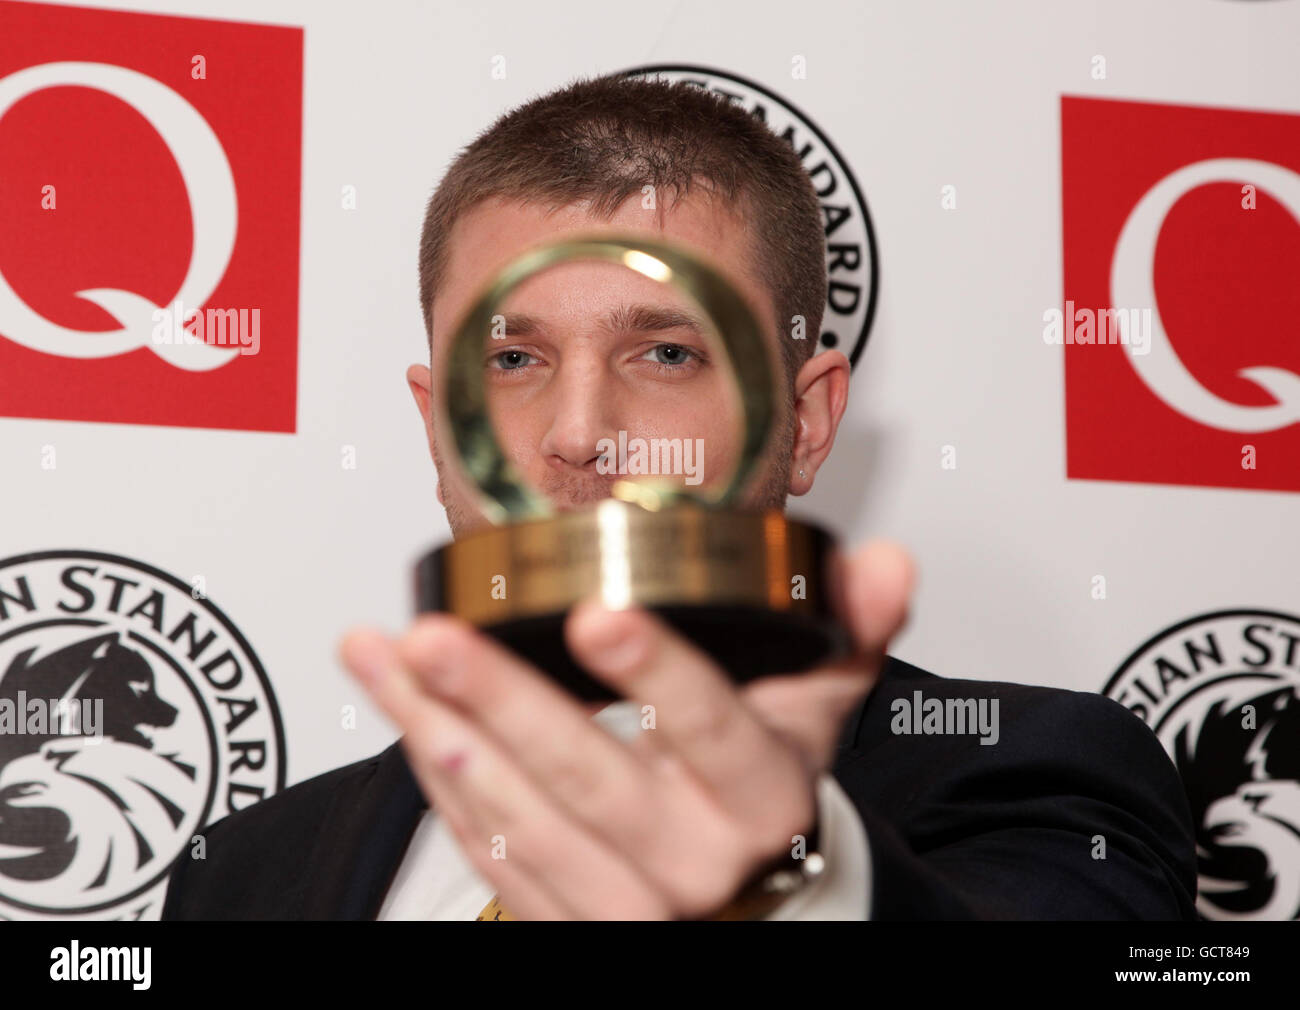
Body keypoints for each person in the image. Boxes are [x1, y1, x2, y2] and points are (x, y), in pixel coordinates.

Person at [162, 74, 1197, 921]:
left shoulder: (1035, 778)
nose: (577, 433)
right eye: (512, 357)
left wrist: (787, 887)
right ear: (438, 424)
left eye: (665, 350)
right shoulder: (245, 871)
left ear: (810, 422)